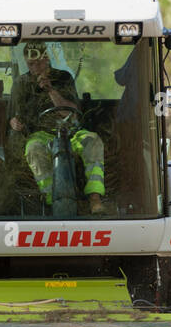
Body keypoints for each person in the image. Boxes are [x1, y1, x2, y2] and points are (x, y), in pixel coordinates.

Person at [7, 43, 106, 213]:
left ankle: (94, 197)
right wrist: (14, 122)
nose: (35, 68)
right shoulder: (20, 84)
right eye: (31, 64)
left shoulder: (64, 78)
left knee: (93, 140)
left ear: (47, 58)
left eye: (39, 62)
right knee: (33, 149)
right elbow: (11, 117)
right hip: (40, 135)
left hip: (71, 132)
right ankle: (53, 200)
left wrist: (50, 89)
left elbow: (71, 113)